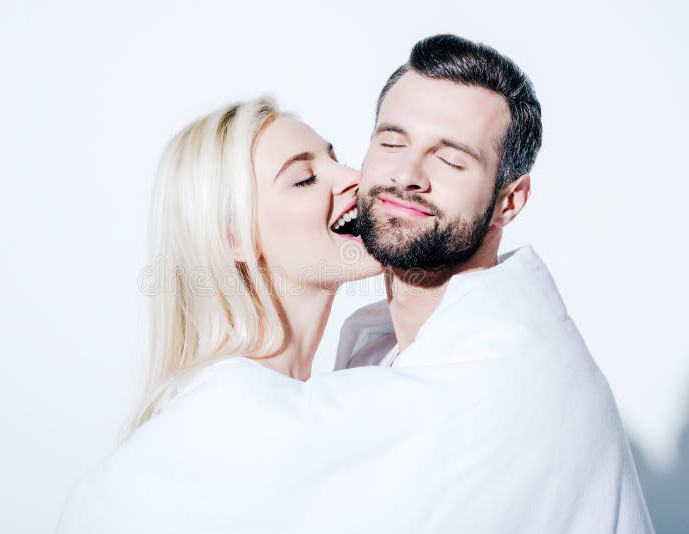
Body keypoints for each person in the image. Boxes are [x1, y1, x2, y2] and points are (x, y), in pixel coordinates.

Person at [57, 36, 653, 534]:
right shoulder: (255, 410)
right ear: (233, 235)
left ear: (510, 200)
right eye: (391, 143)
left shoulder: (502, 382)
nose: (399, 178)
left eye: (450, 159)